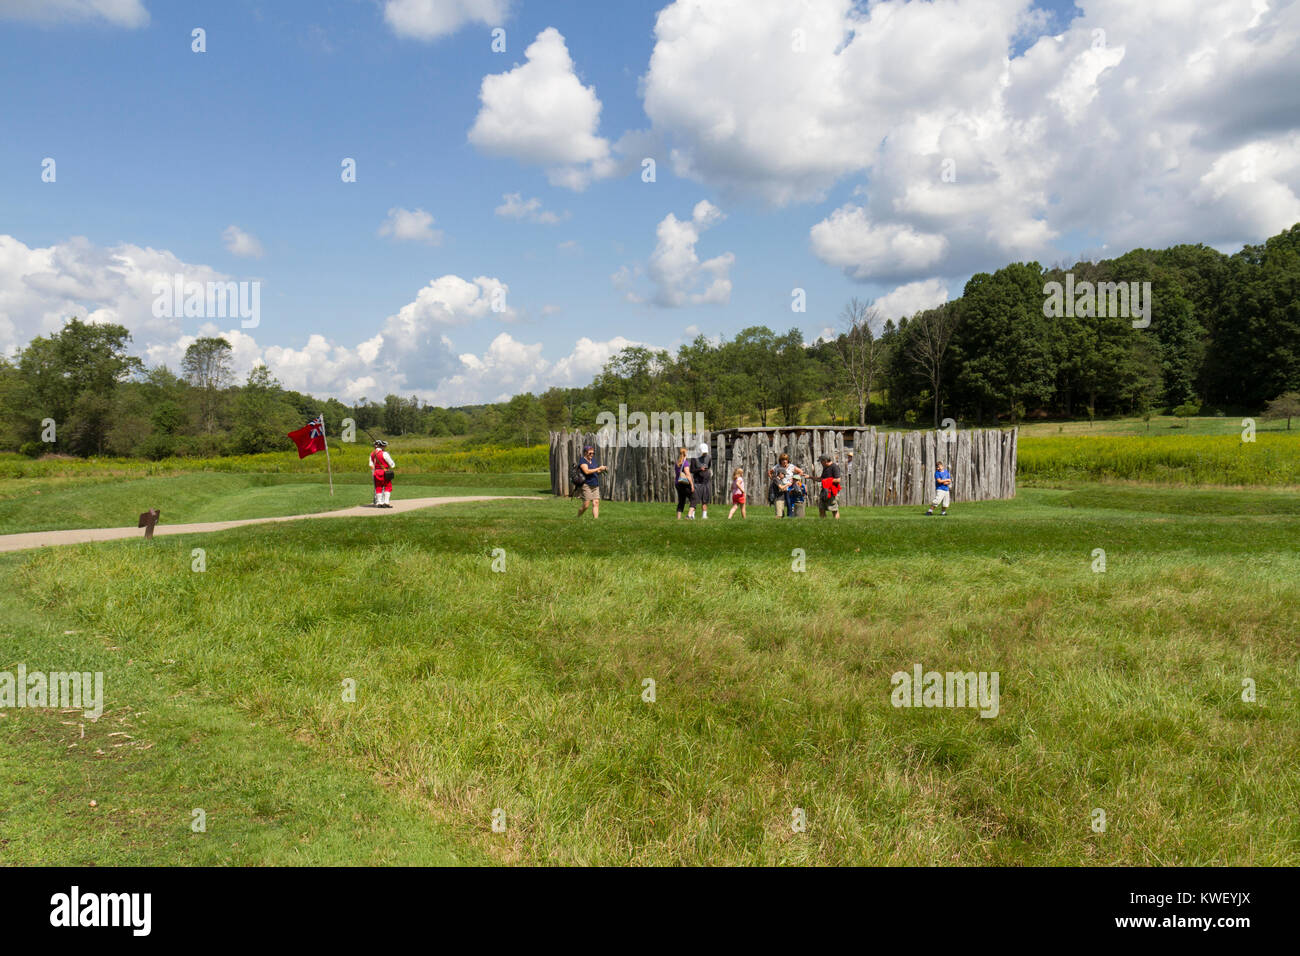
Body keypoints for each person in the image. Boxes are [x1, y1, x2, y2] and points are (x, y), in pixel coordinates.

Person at [577, 445, 607, 519]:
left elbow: (596, 471)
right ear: (585, 453)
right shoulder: (582, 461)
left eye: (593, 453)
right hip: (586, 485)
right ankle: (577, 517)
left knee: (596, 503)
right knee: (586, 505)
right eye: (590, 453)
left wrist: (602, 469)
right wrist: (598, 468)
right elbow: (586, 471)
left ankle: (595, 520)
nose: (592, 455)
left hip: (595, 484)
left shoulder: (593, 460)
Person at [688, 441, 713, 519]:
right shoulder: (694, 459)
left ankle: (704, 515)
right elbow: (691, 470)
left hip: (706, 482)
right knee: (695, 499)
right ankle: (692, 515)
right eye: (703, 452)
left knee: (705, 499)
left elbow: (708, 466)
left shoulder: (709, 457)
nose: (704, 453)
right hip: (697, 482)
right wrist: (699, 469)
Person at [370, 439, 395, 508]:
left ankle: (379, 503)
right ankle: (386, 502)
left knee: (378, 487)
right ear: (381, 446)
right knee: (387, 486)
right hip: (384, 471)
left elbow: (372, 463)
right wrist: (390, 465)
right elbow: (392, 464)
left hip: (376, 472)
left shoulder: (372, 454)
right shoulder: (384, 453)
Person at [817, 453, 842, 519]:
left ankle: (837, 524)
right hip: (824, 490)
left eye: (821, 461)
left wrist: (827, 480)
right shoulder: (825, 468)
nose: (821, 463)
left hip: (831, 491)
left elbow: (838, 480)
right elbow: (821, 479)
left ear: (825, 460)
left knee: (834, 509)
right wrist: (810, 477)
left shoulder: (834, 467)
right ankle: (823, 523)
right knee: (821, 508)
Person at [673, 446, 694, 519]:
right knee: (694, 498)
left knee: (681, 500)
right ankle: (689, 515)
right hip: (684, 484)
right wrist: (692, 485)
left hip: (678, 483)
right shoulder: (685, 463)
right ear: (686, 454)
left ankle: (678, 518)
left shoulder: (677, 463)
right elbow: (688, 475)